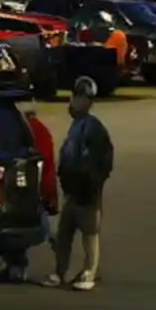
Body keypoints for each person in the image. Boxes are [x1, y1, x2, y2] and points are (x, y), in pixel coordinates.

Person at [43, 82, 114, 291]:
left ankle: (89, 272)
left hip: (87, 192)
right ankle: (59, 271)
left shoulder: (94, 128)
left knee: (89, 234)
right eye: (74, 97)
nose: (73, 101)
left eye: (78, 98)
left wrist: (92, 182)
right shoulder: (76, 125)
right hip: (72, 191)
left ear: (87, 101)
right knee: (65, 233)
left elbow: (103, 161)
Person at [0, 105, 58, 283]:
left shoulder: (25, 132)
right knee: (43, 229)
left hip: (31, 190)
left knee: (41, 229)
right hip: (40, 189)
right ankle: (18, 267)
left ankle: (18, 268)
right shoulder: (39, 130)